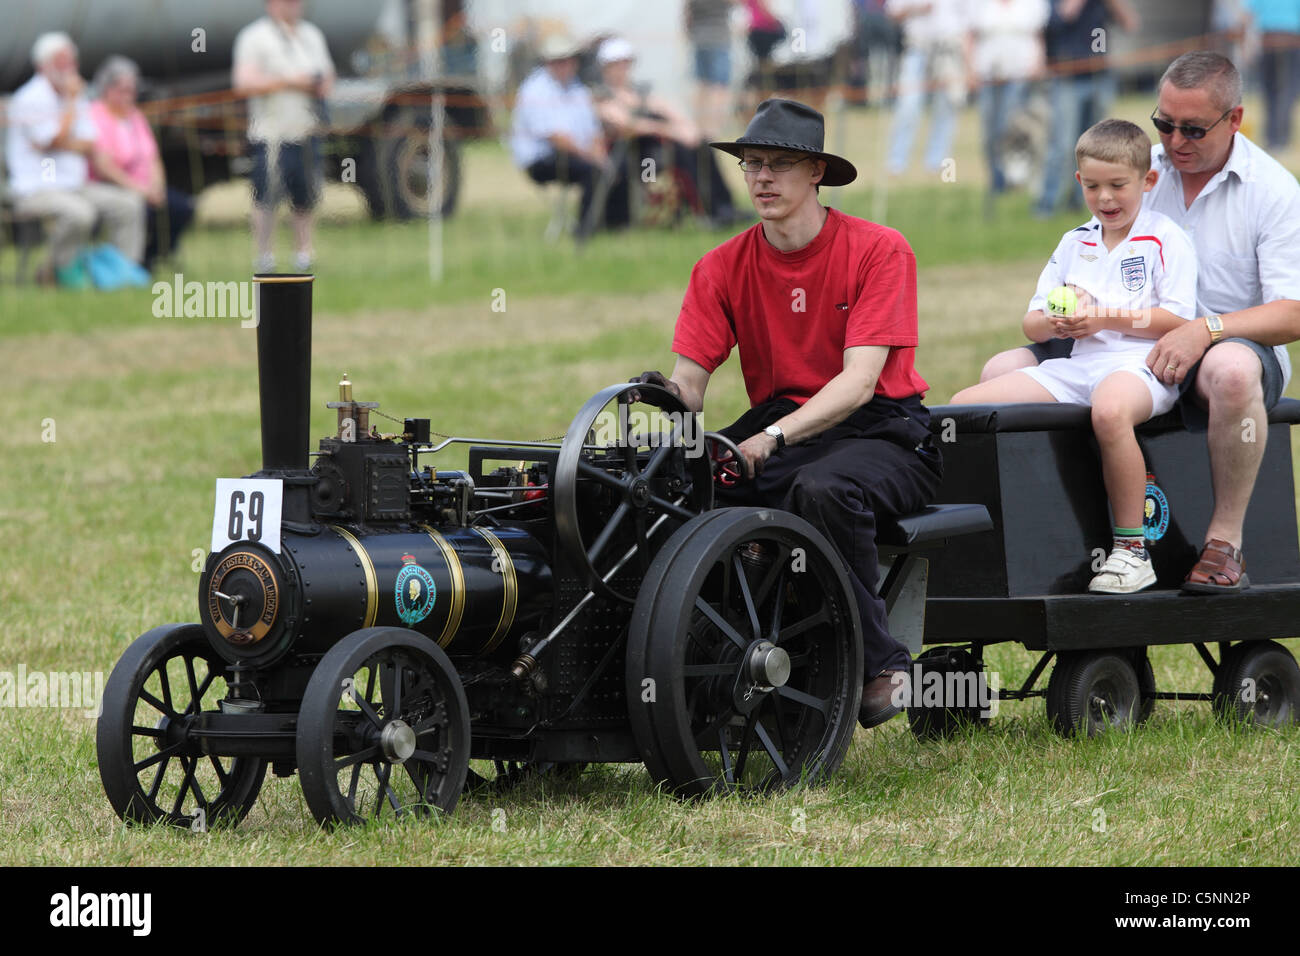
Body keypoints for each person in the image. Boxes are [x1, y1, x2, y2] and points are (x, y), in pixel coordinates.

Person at [632, 99, 943, 728]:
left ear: (817, 174)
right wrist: (661, 393)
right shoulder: (719, 267)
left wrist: (772, 437)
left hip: (886, 428)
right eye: (751, 165)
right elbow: (692, 384)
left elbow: (859, 385)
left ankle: (883, 664)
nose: (762, 179)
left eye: (779, 164)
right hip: (782, 421)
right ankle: (718, 657)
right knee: (676, 487)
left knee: (821, 488)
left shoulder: (880, 250)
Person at [977, 52, 1300, 593]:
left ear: (1236, 119)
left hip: (1227, 341)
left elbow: (1291, 312)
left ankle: (1223, 545)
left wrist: (1205, 328)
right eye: (1164, 123)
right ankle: (1048, 542)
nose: (1175, 142)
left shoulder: (1274, 190)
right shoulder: (1135, 167)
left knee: (1232, 371)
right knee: (997, 371)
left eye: (1193, 128)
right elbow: (1087, 248)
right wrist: (1069, 306)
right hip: (1117, 337)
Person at [952, 120, 1198, 593]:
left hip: (1142, 367)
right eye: (1092, 186)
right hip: (1077, 366)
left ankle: (1131, 552)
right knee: (967, 407)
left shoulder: (1165, 239)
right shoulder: (1075, 242)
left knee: (1109, 409)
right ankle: (983, 545)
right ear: (1078, 182)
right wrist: (1059, 323)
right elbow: (1032, 322)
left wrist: (1103, 316)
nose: (1105, 198)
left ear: (1148, 181)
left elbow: (1176, 321)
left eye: (1117, 185)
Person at [5, 32, 145, 287]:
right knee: (80, 214)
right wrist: (67, 116)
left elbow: (89, 143)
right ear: (43, 66)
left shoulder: (78, 97)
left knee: (129, 204)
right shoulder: (30, 98)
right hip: (36, 187)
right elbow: (54, 141)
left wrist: (61, 140)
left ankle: (122, 274)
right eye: (62, 63)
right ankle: (58, 270)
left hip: (74, 185)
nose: (70, 69)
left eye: (72, 62)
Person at [592, 37, 742, 228]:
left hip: (655, 151)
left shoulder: (639, 92)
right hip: (633, 159)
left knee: (702, 144)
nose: (622, 69)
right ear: (605, 67)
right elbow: (628, 125)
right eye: (616, 64)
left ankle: (724, 206)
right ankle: (706, 212)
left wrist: (689, 129)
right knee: (682, 153)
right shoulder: (601, 96)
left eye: (624, 63)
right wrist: (673, 132)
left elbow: (669, 110)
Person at [232, 0, 335, 272]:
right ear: (272, 5)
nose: (294, 6)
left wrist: (318, 84)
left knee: (305, 195)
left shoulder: (312, 35)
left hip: (306, 130)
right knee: (266, 195)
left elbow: (328, 76)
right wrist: (290, 82)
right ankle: (265, 256)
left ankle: (304, 254)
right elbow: (243, 83)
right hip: (270, 134)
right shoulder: (254, 37)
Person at [511, 35, 629, 238]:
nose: (565, 65)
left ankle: (616, 226)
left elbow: (592, 132)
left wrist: (600, 155)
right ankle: (585, 230)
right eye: (558, 60)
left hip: (575, 154)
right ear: (548, 62)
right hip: (542, 159)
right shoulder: (534, 90)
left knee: (620, 165)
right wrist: (593, 157)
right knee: (593, 171)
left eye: (568, 59)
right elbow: (555, 138)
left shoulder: (578, 89)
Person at [1034, 0, 1140, 217]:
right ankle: (1046, 204)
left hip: (1099, 75)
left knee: (1094, 145)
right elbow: (1057, 22)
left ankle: (1078, 201)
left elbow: (1130, 24)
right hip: (1067, 75)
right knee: (1062, 145)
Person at [89, 56, 195, 271]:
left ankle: (152, 256)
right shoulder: (94, 116)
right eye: (123, 90)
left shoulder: (135, 116)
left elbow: (152, 157)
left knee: (182, 207)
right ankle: (127, 265)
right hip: (114, 186)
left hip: (145, 187)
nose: (129, 96)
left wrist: (156, 186)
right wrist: (141, 191)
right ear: (107, 89)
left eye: (132, 90)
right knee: (137, 208)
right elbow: (104, 166)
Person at [884, 0, 973, 176]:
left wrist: (969, 63)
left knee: (947, 106)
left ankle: (939, 164)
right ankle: (896, 162)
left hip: (950, 47)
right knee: (908, 105)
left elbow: (969, 21)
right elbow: (892, 13)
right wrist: (916, 9)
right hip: (917, 47)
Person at [971, 0, 1049, 197]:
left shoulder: (1032, 4)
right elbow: (970, 36)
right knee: (989, 133)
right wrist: (970, 69)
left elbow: (1038, 35)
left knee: (1010, 129)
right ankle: (996, 180)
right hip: (988, 77)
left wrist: (1038, 64)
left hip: (1020, 76)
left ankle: (1016, 178)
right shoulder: (979, 5)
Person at [1247, 0, 1300, 150]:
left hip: (1271, 42)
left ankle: (1275, 138)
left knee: (1272, 92)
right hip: (1288, 42)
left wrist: (1246, 47)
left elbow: (1247, 17)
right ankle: (1279, 139)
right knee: (1287, 91)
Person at [686, 0, 740, 138]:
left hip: (699, 39)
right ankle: (712, 131)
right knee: (720, 87)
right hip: (719, 39)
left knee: (702, 85)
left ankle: (699, 128)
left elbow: (687, 15)